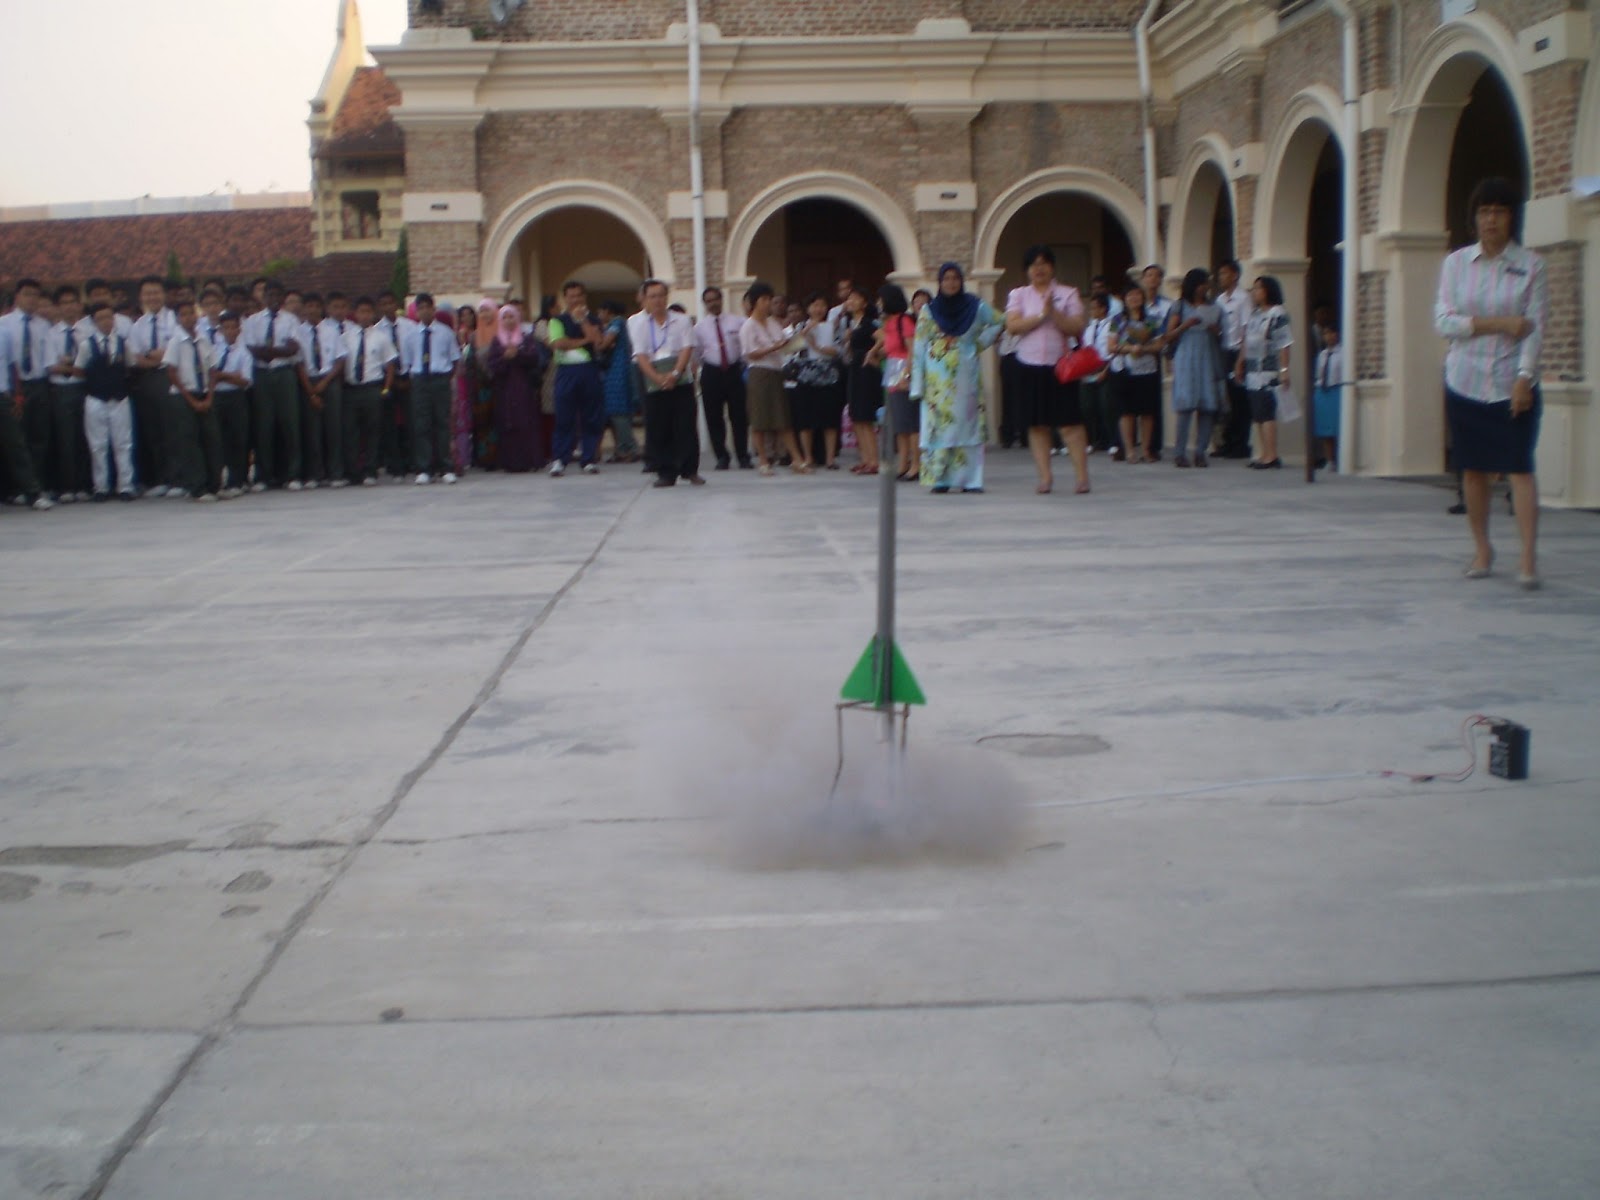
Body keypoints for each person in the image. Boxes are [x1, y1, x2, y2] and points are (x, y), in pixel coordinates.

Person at [1434, 176, 1548, 589]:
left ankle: (1528, 558)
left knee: (1520, 468)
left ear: (1511, 217)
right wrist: (1500, 323)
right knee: (1474, 471)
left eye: (1498, 211)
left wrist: (1524, 379)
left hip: (1509, 380)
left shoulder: (1531, 266)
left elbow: (1533, 329)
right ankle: (1483, 549)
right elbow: (1444, 321)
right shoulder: (1456, 264)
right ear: (1475, 218)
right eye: (1484, 212)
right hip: (1464, 379)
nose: (1491, 220)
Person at [911, 262, 1004, 494]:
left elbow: (999, 321)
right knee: (940, 429)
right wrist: (917, 385)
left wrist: (978, 344)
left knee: (967, 427)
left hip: (966, 379)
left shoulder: (975, 306)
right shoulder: (929, 311)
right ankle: (940, 479)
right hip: (937, 385)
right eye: (946, 279)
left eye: (955, 278)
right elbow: (920, 347)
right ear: (940, 283)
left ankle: (970, 480)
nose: (951, 283)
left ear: (961, 281)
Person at [1004, 245, 1088, 494]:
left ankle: (1082, 477)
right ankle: (1045, 477)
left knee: (1069, 423)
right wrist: (1042, 315)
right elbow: (1013, 326)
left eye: (1044, 263)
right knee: (1037, 424)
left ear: (1052, 267)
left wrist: (1055, 313)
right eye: (1033, 264)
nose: (1039, 269)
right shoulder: (1019, 294)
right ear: (1027, 270)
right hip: (1029, 366)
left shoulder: (1068, 293)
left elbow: (1076, 327)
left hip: (1060, 366)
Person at [630, 279, 702, 488]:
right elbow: (641, 355)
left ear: (666, 297)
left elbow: (687, 348)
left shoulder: (681, 320)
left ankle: (690, 470)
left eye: (661, 295)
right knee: (659, 427)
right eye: (652, 296)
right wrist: (657, 378)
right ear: (645, 299)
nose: (657, 300)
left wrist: (676, 373)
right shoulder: (640, 324)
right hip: (655, 379)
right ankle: (666, 472)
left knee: (686, 425)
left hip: (679, 377)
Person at [71, 303, 136, 500]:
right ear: (94, 322)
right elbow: (79, 371)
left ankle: (125, 485)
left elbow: (130, 366)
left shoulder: (122, 343)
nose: (106, 322)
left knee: (123, 443)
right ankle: (101, 487)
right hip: (96, 399)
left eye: (109, 317)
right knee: (98, 445)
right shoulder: (86, 345)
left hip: (119, 398)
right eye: (101, 318)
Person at [244, 280, 305, 491]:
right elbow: (252, 349)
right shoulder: (252, 321)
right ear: (263, 298)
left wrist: (270, 351)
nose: (273, 299)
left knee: (290, 423)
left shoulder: (290, 320)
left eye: (277, 295)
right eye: (269, 295)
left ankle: (293, 473)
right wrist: (278, 350)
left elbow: (293, 349)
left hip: (284, 373)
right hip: (262, 375)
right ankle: (263, 475)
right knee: (264, 425)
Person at [738, 282, 804, 476]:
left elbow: (782, 346)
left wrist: (794, 342)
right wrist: (774, 347)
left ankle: (796, 459)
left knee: (782, 417)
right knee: (759, 419)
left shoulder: (773, 323)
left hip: (776, 371)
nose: (767, 304)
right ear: (754, 302)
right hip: (759, 373)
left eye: (769, 299)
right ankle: (763, 460)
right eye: (764, 300)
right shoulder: (748, 326)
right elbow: (751, 353)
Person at [161, 299, 223, 501]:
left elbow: (212, 369)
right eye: (184, 315)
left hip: (204, 392)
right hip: (184, 395)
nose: (189, 318)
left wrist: (209, 396)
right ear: (178, 319)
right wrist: (190, 400)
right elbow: (171, 372)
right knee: (190, 441)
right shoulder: (175, 341)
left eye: (191, 313)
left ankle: (214, 484)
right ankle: (197, 486)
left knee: (211, 439)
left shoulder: (204, 339)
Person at [1165, 268, 1225, 468]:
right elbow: (1169, 335)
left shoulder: (1213, 306)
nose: (1204, 288)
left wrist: (1214, 329)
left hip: (1207, 354)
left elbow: (1222, 333)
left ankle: (1201, 451)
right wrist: (1186, 325)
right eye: (1201, 284)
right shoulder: (1179, 306)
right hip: (1186, 355)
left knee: (1207, 405)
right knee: (1186, 405)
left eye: (1206, 284)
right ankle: (1180, 452)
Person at [546, 280, 606, 476]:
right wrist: (584, 341)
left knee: (591, 416)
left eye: (579, 295)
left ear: (584, 297)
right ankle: (560, 459)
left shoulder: (594, 320)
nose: (575, 299)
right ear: (565, 298)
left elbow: (597, 342)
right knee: (564, 416)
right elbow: (559, 343)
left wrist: (583, 322)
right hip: (566, 371)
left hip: (589, 370)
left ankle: (588, 459)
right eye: (571, 296)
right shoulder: (557, 320)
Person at [1235, 275, 1293, 471]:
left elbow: (1284, 343)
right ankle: (1263, 452)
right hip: (1252, 370)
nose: (1255, 292)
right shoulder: (1254, 314)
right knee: (1257, 414)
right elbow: (1246, 341)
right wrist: (1240, 362)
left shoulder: (1277, 314)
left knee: (1266, 412)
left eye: (1258, 288)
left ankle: (1272, 454)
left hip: (1267, 371)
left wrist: (1284, 370)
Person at [403, 293, 461, 485]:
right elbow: (408, 362)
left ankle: (446, 467)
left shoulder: (445, 332)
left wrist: (446, 379)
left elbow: (454, 359)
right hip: (420, 380)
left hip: (440, 379)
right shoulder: (410, 335)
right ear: (416, 311)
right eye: (421, 308)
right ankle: (424, 468)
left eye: (429, 307)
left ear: (434, 309)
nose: (425, 311)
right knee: (422, 424)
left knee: (442, 424)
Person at [341, 296, 398, 487]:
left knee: (372, 430)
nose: (364, 315)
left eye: (368, 311)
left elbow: (390, 365)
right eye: (361, 311)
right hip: (352, 389)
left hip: (372, 387)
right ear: (355, 314)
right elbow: (341, 363)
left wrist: (386, 388)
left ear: (373, 314)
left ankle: (370, 469)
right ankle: (353, 470)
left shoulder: (381, 337)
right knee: (351, 431)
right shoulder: (346, 336)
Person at [488, 303, 551, 474]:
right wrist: (506, 358)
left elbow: (534, 358)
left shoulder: (525, 338)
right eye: (505, 317)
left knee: (526, 422)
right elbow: (492, 364)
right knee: (508, 423)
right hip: (504, 389)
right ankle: (511, 462)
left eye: (511, 317)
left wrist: (518, 355)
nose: (508, 321)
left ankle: (530, 460)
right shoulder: (497, 340)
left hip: (524, 388)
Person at [694, 285, 749, 469]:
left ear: (721, 299)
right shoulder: (699, 328)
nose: (712, 304)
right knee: (714, 417)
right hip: (712, 373)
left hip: (734, 371)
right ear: (704, 304)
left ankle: (743, 455)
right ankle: (721, 456)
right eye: (708, 301)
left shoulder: (738, 322)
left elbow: (744, 346)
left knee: (739, 416)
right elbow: (698, 353)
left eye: (715, 299)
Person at [297, 292, 345, 489]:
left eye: (316, 306)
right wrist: (311, 391)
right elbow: (298, 363)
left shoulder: (331, 330)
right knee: (312, 431)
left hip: (328, 380)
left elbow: (340, 360)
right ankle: (315, 474)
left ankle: (335, 472)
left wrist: (325, 383)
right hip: (308, 381)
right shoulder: (297, 332)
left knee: (333, 428)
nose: (312, 310)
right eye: (308, 306)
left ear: (321, 308)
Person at [792, 291, 845, 471]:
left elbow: (838, 350)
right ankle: (808, 456)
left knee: (829, 418)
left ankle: (830, 458)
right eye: (815, 305)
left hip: (828, 374)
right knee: (806, 419)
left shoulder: (833, 326)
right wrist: (807, 330)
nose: (819, 309)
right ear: (808, 308)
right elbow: (793, 347)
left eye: (822, 305)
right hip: (806, 374)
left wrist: (819, 347)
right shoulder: (801, 326)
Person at [47, 285, 90, 502]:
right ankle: (67, 486)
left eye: (72, 302)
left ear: (79, 305)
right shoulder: (51, 334)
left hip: (84, 388)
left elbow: (91, 365)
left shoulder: (88, 333)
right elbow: (50, 367)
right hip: (61, 390)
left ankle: (83, 485)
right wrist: (75, 367)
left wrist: (70, 365)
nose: (69, 307)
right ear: (57, 308)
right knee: (65, 439)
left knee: (84, 436)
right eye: (64, 303)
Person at [872, 284, 919, 481]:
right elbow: (889, 350)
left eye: (881, 299)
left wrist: (906, 376)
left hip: (904, 376)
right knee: (900, 425)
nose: (878, 304)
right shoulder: (888, 324)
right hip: (891, 375)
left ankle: (916, 464)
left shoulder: (904, 321)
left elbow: (912, 350)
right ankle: (902, 463)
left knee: (910, 424)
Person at [1112, 284, 1163, 463]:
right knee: (1127, 412)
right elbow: (1110, 346)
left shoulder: (1151, 319)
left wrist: (1145, 348)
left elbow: (1159, 344)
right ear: (1124, 299)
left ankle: (1146, 450)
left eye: (1137, 295)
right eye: (1130, 295)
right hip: (1125, 370)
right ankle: (1129, 450)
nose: (1134, 298)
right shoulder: (1118, 320)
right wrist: (1129, 348)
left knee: (1147, 412)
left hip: (1147, 369)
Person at [1212, 259, 1253, 458]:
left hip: (1238, 351)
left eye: (1225, 274)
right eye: (1220, 275)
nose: (1221, 278)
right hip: (1223, 350)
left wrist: (1241, 359)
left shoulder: (1243, 298)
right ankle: (1227, 441)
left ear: (1235, 275)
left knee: (1239, 399)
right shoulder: (1219, 300)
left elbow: (1247, 329)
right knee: (1226, 398)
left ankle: (1241, 443)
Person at [211, 311, 255, 497]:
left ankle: (238, 480)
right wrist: (231, 376)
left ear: (239, 329)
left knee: (238, 439)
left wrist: (222, 376)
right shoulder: (213, 349)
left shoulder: (244, 352)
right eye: (225, 328)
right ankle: (219, 480)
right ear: (220, 330)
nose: (229, 331)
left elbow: (245, 381)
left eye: (233, 327)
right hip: (217, 397)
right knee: (219, 439)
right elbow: (210, 375)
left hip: (236, 397)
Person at [840, 285, 880, 474]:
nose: (851, 302)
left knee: (865, 417)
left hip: (866, 371)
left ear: (864, 302)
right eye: (849, 299)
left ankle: (874, 460)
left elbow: (884, 338)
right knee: (856, 416)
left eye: (855, 298)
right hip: (854, 370)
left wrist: (872, 353)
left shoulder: (869, 323)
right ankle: (865, 459)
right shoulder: (849, 324)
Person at [597, 300, 642, 464]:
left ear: (607, 310)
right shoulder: (623, 324)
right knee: (618, 411)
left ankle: (630, 448)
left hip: (618, 371)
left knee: (618, 410)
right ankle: (621, 449)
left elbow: (603, 344)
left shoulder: (616, 323)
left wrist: (596, 337)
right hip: (620, 369)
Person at [1079, 293, 1120, 459]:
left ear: (1103, 308)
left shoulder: (1112, 325)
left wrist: (1107, 369)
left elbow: (1113, 349)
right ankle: (1091, 440)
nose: (1092, 310)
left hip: (1105, 366)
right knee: (1087, 406)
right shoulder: (1089, 327)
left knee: (1106, 406)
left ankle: (1111, 441)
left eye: (1095, 307)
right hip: (1089, 368)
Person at [1141, 263, 1171, 459]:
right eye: (1149, 275)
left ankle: (1154, 444)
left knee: (1153, 402)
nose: (1152, 279)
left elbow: (1168, 332)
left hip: (1156, 353)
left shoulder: (1168, 305)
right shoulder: (1136, 303)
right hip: (1134, 354)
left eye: (1156, 276)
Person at [451, 305, 480, 475]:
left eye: (470, 314)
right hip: (461, 382)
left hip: (475, 381)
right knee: (461, 420)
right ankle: (461, 457)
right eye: (463, 315)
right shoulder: (456, 335)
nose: (466, 318)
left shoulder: (478, 333)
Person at [1312, 322, 1342, 471]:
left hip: (1335, 390)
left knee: (1336, 427)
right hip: (1322, 391)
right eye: (1325, 334)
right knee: (1324, 429)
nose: (1329, 337)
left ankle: (1339, 458)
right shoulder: (1322, 354)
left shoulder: (1343, 353)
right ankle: (1329, 459)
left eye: (1332, 333)